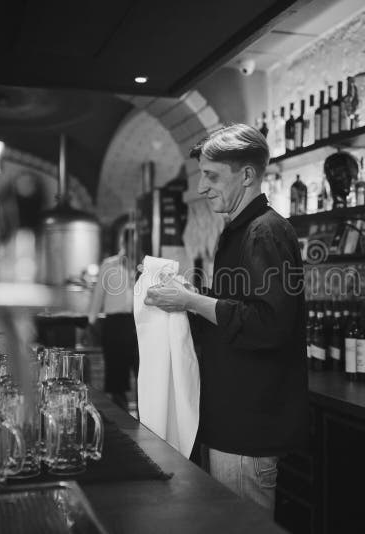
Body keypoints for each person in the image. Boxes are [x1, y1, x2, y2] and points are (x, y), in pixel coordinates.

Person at [144, 123, 309, 511]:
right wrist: (186, 297)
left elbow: (269, 324)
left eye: (211, 175)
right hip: (231, 421)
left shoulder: (264, 232)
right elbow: (236, 314)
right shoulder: (240, 231)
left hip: (247, 429)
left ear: (247, 175)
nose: (201, 187)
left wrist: (191, 301)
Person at [88, 239, 138, 410]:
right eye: (132, 241)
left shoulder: (145, 265)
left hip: (138, 322)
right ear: (125, 243)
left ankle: (146, 419)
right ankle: (122, 422)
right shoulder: (109, 265)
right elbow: (98, 294)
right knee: (116, 374)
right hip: (115, 323)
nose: (135, 246)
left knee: (143, 371)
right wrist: (91, 321)